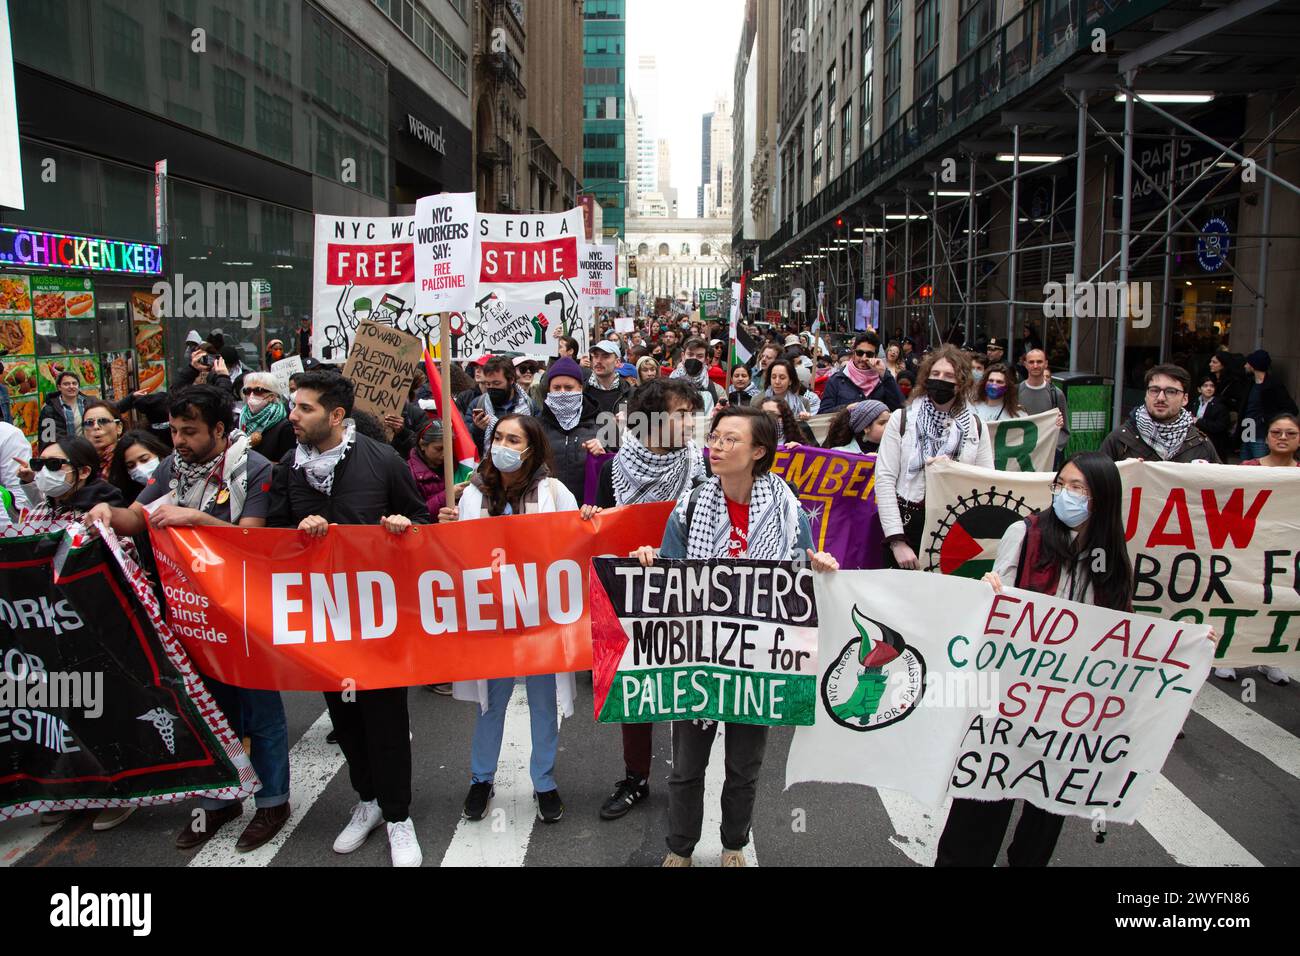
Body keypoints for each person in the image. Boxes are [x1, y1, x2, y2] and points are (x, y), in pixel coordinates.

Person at [631, 407, 838, 867]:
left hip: (757, 660)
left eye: (730, 440)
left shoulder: (786, 508)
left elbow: (802, 570)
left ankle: (733, 843)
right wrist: (650, 557)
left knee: (744, 767)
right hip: (698, 656)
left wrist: (821, 565)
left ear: (759, 452)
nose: (717, 448)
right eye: (716, 439)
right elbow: (671, 573)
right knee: (686, 767)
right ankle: (680, 847)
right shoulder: (691, 505)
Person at [87, 385, 290, 848]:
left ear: (220, 430)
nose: (178, 440)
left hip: (245, 616)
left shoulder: (253, 469)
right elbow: (137, 517)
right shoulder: (171, 467)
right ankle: (221, 801)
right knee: (211, 710)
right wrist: (106, 514)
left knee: (261, 714)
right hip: (193, 615)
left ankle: (273, 802)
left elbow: (251, 539)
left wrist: (193, 519)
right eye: (174, 430)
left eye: (190, 431)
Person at [936, 452, 1139, 867]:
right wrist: (990, 593)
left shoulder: (1112, 557)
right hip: (1009, 695)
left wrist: (1190, 644)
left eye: (1078, 487)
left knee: (1047, 803)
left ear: (1102, 498)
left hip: (1068, 704)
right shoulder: (1025, 534)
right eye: (1061, 484)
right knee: (985, 797)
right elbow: (998, 607)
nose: (1066, 494)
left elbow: (1124, 628)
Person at [267, 371, 430, 866]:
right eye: (293, 406)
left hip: (379, 623)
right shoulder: (286, 468)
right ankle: (369, 802)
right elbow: (269, 540)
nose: (293, 415)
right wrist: (298, 532)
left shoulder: (383, 461)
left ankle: (399, 817)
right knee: (346, 719)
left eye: (305, 408)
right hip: (324, 624)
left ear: (336, 415)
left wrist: (405, 527)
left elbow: (422, 523)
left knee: (384, 719)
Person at [440, 414, 578, 826]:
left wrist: (587, 516)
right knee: (489, 704)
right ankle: (481, 779)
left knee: (542, 703)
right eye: (498, 436)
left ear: (530, 448)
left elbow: (577, 541)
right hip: (491, 620)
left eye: (512, 439)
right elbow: (456, 556)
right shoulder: (472, 495)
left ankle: (544, 781)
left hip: (539, 620)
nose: (502, 444)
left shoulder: (554, 492)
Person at [590, 379, 707, 820]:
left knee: (687, 685)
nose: (688, 423)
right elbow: (603, 536)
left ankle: (688, 778)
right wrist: (590, 519)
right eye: (679, 413)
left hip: (687, 593)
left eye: (691, 414)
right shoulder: (612, 472)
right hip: (630, 598)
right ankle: (635, 778)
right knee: (635, 689)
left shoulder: (703, 470)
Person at [876, 346, 993, 569]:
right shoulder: (901, 420)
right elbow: (884, 480)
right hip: (907, 525)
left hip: (954, 529)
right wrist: (896, 540)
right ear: (926, 377)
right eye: (936, 374)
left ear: (961, 382)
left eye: (949, 376)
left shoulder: (976, 427)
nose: (941, 380)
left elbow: (985, 480)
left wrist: (953, 469)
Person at [1229, 412, 1300, 687]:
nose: (1283, 438)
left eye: (1290, 433)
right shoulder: (1249, 468)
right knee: (1241, 600)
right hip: (1248, 550)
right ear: (1267, 437)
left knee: (1276, 602)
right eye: (1276, 432)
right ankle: (1231, 658)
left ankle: (1269, 658)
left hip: (1285, 556)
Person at [1099, 364, 1220, 463]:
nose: (1161, 397)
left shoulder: (1200, 443)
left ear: (1185, 399)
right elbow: (1096, 483)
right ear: (1146, 395)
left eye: (1171, 391)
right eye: (1154, 390)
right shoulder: (1120, 439)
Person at [536, 356, 605, 503]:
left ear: (580, 388)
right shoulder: (537, 426)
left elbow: (616, 468)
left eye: (568, 388)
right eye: (556, 388)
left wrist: (604, 452)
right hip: (549, 507)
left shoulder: (602, 424)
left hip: (589, 509)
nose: (562, 392)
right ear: (549, 388)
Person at [466, 355, 539, 454]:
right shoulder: (478, 404)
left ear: (511, 380)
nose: (491, 388)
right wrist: (477, 429)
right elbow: (467, 443)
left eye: (496, 383)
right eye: (488, 384)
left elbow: (537, 440)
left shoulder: (530, 405)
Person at [819, 332, 904, 413]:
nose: (863, 358)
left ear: (876, 356)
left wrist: (884, 373)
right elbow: (823, 414)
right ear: (854, 353)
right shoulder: (836, 380)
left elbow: (900, 409)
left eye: (869, 354)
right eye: (860, 353)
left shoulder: (883, 380)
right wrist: (846, 409)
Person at [1237, 350, 1298, 461]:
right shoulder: (1250, 383)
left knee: (1261, 469)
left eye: (1247, 363)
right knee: (1244, 468)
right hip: (1246, 433)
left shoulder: (1273, 385)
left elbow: (1291, 409)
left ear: (1254, 365)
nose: (1245, 365)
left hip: (1261, 435)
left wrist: (1269, 420)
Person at [1017, 350, 1068, 465]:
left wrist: (1055, 450)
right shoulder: (1015, 392)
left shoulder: (1056, 394)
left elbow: (1064, 430)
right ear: (1025, 365)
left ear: (1046, 364)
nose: (1035, 365)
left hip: (1047, 456)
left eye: (1039, 362)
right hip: (1020, 455)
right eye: (1031, 362)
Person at [238, 372, 295, 463]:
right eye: (247, 391)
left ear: (272, 396)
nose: (251, 395)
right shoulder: (241, 419)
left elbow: (285, 465)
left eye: (258, 390)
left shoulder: (284, 427)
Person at [106, 429, 170, 504]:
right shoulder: (124, 500)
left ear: (159, 455)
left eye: (144, 459)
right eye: (131, 466)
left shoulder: (180, 480)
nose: (140, 468)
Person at [671, 337, 727, 412]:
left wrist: (720, 413)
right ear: (683, 356)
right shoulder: (668, 386)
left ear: (706, 360)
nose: (694, 359)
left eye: (699, 356)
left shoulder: (717, 390)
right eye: (690, 355)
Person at [585, 340, 634, 423]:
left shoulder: (631, 393)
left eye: (605, 356)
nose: (598, 361)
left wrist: (629, 420)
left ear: (617, 362)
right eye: (596, 356)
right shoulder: (582, 390)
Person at [38, 371, 89, 449]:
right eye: (66, 384)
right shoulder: (49, 410)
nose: (71, 386)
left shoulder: (90, 402)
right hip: (64, 454)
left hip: (89, 452)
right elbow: (47, 439)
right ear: (59, 387)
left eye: (74, 383)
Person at [753, 358, 820, 418]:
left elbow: (805, 429)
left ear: (790, 381)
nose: (777, 381)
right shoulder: (757, 401)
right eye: (773, 377)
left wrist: (805, 418)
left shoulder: (803, 402)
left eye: (782, 378)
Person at [823, 400, 891, 454]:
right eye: (882, 423)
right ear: (866, 427)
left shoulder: (893, 452)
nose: (888, 426)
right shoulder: (839, 453)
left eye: (889, 422)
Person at [79, 399, 123, 481]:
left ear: (119, 427)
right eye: (89, 423)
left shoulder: (129, 456)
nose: (96, 427)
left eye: (103, 421)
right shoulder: (78, 463)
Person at [1192, 376, 1232, 461]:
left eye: (1212, 386)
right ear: (1199, 389)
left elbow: (1220, 426)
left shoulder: (1220, 405)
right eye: (1205, 386)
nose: (1209, 388)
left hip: (1214, 444)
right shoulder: (1194, 403)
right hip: (1196, 442)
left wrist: (1198, 421)